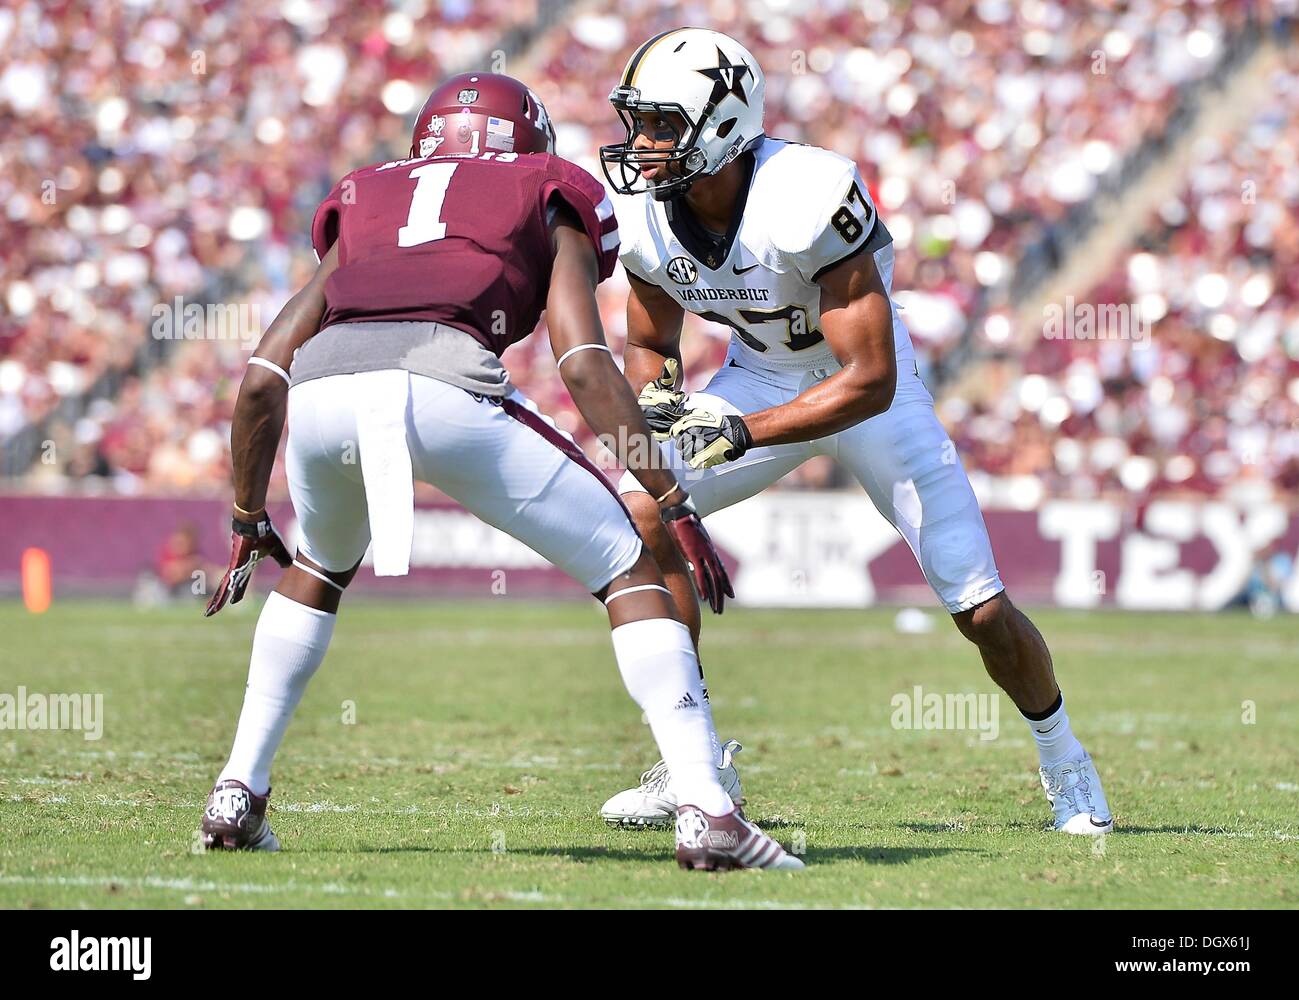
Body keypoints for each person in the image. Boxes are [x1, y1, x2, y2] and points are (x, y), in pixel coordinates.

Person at [198, 71, 800, 871]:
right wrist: (671, 497)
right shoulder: (551, 187)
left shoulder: (366, 191)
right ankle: (708, 810)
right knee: (630, 567)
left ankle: (237, 793)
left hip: (320, 393)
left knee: (316, 566)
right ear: (529, 140)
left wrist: (246, 514)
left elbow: (264, 372)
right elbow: (584, 362)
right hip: (443, 383)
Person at [596, 28, 1113, 836]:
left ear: (724, 125)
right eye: (640, 123)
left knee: (978, 607)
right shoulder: (646, 214)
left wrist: (740, 429)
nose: (643, 145)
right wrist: (662, 408)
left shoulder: (805, 195)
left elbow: (870, 379)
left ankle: (1065, 757)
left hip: (871, 393)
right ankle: (694, 766)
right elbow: (651, 344)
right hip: (758, 377)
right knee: (639, 508)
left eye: (663, 125)